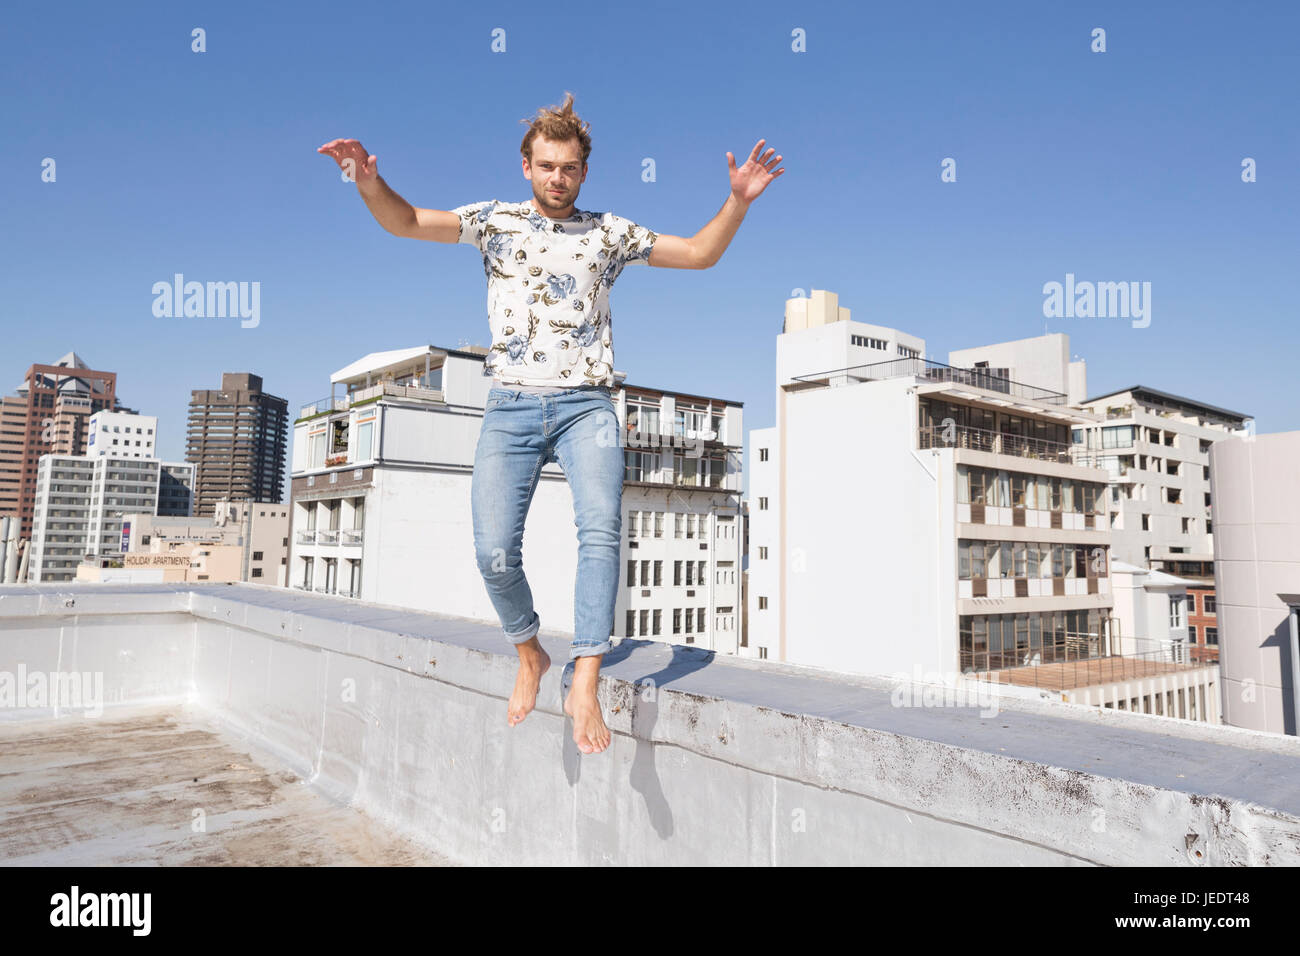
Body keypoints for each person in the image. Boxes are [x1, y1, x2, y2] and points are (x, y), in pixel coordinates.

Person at [317, 92, 784, 754]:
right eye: (545, 166)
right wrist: (367, 181)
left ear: (583, 172)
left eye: (568, 168)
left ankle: (586, 675)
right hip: (510, 405)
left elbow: (699, 253)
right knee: (492, 550)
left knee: (601, 532)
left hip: (587, 404)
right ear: (526, 165)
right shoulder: (495, 220)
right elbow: (408, 222)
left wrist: (738, 201)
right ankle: (530, 651)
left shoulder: (609, 233)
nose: (557, 178)